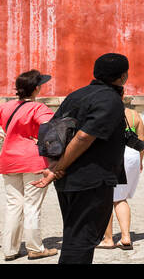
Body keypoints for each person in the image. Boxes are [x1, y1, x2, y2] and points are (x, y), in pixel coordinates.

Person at [33, 53, 130, 264]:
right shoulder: (111, 100)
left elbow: (52, 133)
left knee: (74, 234)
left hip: (69, 178)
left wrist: (55, 167)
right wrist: (58, 166)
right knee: (82, 239)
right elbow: (84, 136)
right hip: (91, 179)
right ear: (123, 76)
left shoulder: (76, 96)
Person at [0, 70, 57, 260]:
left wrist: (2, 135)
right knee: (32, 205)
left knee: (13, 205)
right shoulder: (39, 109)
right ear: (36, 89)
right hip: (32, 159)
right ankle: (35, 248)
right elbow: (50, 127)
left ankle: (10, 250)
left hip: (9, 159)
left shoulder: (4, 107)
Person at [100, 100, 144, 251]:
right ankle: (125, 237)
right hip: (132, 155)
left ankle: (108, 239)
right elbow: (142, 141)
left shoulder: (104, 114)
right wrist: (140, 161)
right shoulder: (134, 115)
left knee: (106, 197)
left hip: (113, 155)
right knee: (120, 198)